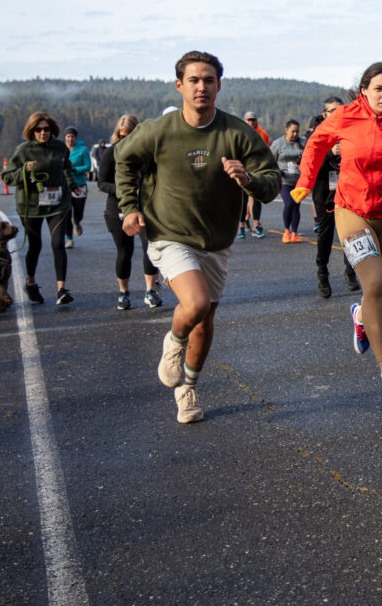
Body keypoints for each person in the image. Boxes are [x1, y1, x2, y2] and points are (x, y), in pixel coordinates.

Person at [115, 51, 281, 423]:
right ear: (180, 85)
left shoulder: (237, 133)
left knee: (205, 322)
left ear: (219, 85)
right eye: (193, 80)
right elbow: (122, 159)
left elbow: (272, 185)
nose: (201, 87)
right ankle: (173, 343)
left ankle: (187, 389)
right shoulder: (160, 130)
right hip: (169, 234)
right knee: (196, 305)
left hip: (217, 241)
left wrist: (248, 179)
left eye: (209, 80)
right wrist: (129, 207)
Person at [293, 62, 382, 406]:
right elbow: (315, 145)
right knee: (374, 286)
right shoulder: (344, 116)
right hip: (351, 210)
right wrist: (304, 182)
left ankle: (360, 315)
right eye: (379, 89)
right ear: (364, 90)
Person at [1, 113, 75, 305]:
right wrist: (23, 170)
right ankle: (31, 283)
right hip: (31, 206)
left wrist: (72, 184)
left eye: (46, 129)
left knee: (58, 244)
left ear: (52, 130)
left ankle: (61, 290)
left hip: (58, 203)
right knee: (35, 245)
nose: (43, 133)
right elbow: (7, 177)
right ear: (31, 131)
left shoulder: (60, 147)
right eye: (38, 129)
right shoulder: (23, 150)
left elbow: (66, 167)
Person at [97, 114, 162, 310]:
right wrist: (123, 190)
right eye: (122, 136)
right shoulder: (110, 154)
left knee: (149, 248)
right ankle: (123, 293)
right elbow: (101, 183)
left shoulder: (146, 154)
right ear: (117, 135)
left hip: (144, 208)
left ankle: (150, 291)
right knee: (124, 251)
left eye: (130, 135)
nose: (126, 140)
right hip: (117, 208)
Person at [308, 99, 359, 298]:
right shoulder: (317, 136)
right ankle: (322, 273)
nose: (336, 113)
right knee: (326, 235)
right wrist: (329, 153)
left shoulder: (351, 132)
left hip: (348, 195)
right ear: (324, 114)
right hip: (325, 195)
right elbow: (310, 167)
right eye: (331, 111)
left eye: (340, 109)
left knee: (351, 235)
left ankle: (350, 271)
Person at [271, 119, 306, 242]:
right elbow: (271, 160)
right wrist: (277, 172)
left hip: (298, 180)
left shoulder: (303, 142)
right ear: (286, 130)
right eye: (293, 131)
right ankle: (286, 231)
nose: (295, 134)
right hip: (284, 180)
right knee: (289, 204)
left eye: (297, 131)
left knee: (296, 206)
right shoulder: (278, 144)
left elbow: (308, 156)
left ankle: (294, 233)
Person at [239, 111, 271, 238]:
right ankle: (241, 226)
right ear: (244, 121)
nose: (251, 122)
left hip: (257, 170)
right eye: (248, 120)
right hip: (243, 169)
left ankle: (256, 226)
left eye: (253, 120)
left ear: (256, 121)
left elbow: (267, 152)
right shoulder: (240, 133)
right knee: (243, 199)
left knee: (256, 197)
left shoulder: (262, 134)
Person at [63, 127, 92, 247]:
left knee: (78, 212)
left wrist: (75, 169)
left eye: (72, 137)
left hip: (79, 184)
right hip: (65, 185)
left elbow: (88, 166)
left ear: (76, 138)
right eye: (68, 136)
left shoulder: (82, 150)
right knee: (66, 213)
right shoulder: (61, 149)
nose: (70, 139)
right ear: (65, 138)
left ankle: (76, 221)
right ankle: (69, 239)